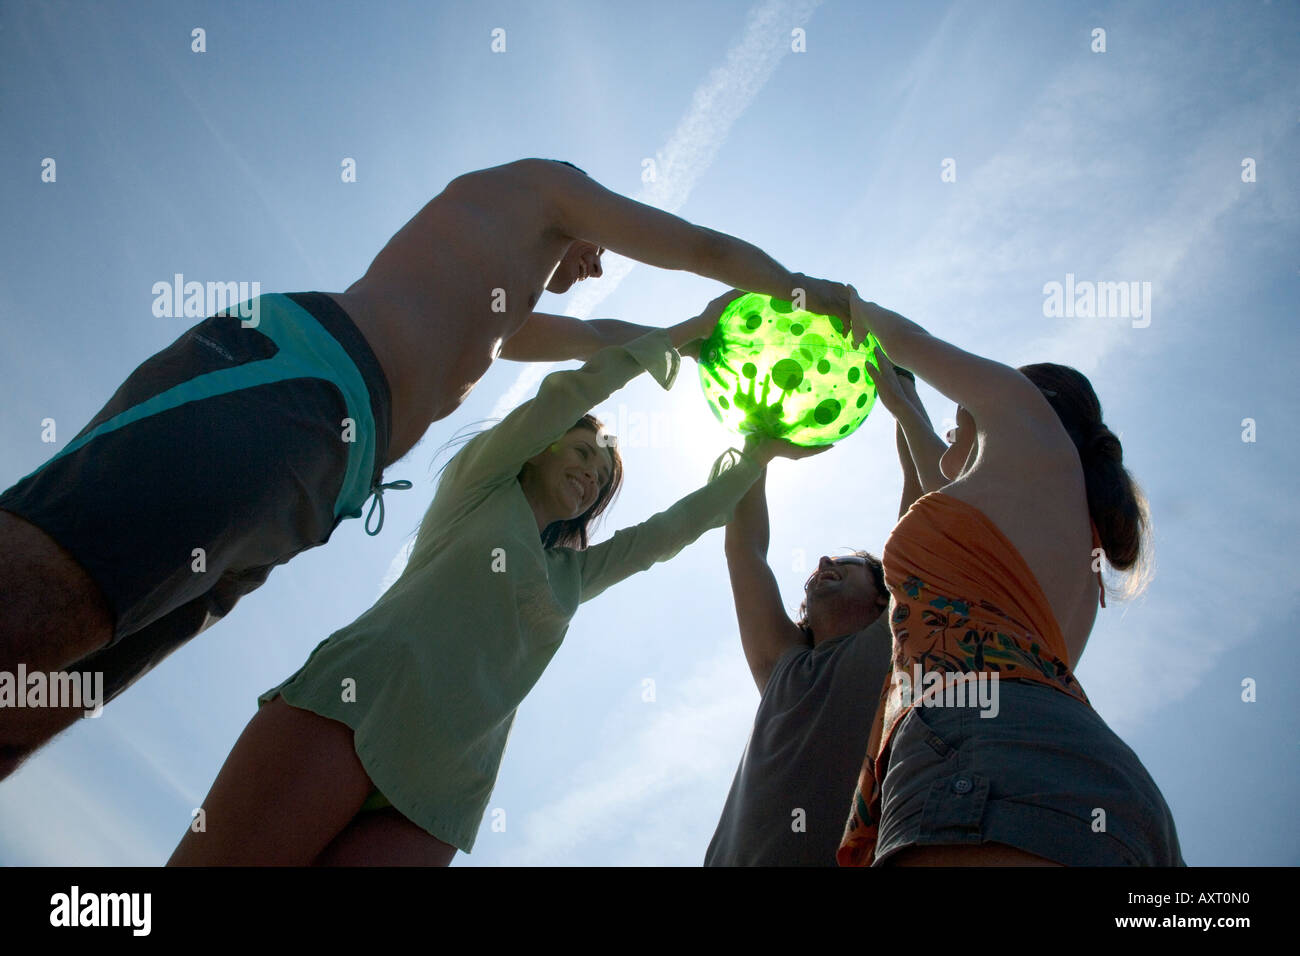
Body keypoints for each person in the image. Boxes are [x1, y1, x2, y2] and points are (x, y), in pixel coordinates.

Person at [0, 157, 847, 779]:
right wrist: (799, 293)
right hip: (300, 384)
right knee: (50, 599)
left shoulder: (500, 316)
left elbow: (599, 343)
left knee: (55, 689)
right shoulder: (542, 186)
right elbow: (698, 246)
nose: (596, 260)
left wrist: (706, 362)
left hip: (326, 467)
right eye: (595, 244)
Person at [167, 314, 814, 866]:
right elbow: (566, 394)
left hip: (449, 781)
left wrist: (760, 451)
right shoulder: (480, 485)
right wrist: (666, 344)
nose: (593, 474)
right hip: (358, 702)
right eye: (585, 453)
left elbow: (670, 531)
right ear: (538, 448)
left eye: (605, 474)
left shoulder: (571, 574)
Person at [834, 288, 1183, 866]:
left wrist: (831, 300)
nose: (949, 431)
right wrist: (900, 403)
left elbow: (905, 337)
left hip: (985, 765)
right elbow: (936, 477)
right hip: (1108, 793)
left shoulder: (1025, 416)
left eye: (958, 417)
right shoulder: (1056, 535)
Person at [704, 368, 943, 865]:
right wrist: (759, 438)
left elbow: (921, 504)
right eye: (822, 563)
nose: (824, 564)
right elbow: (746, 550)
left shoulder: (889, 644)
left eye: (846, 563)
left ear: (882, 598)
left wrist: (903, 393)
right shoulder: (782, 666)